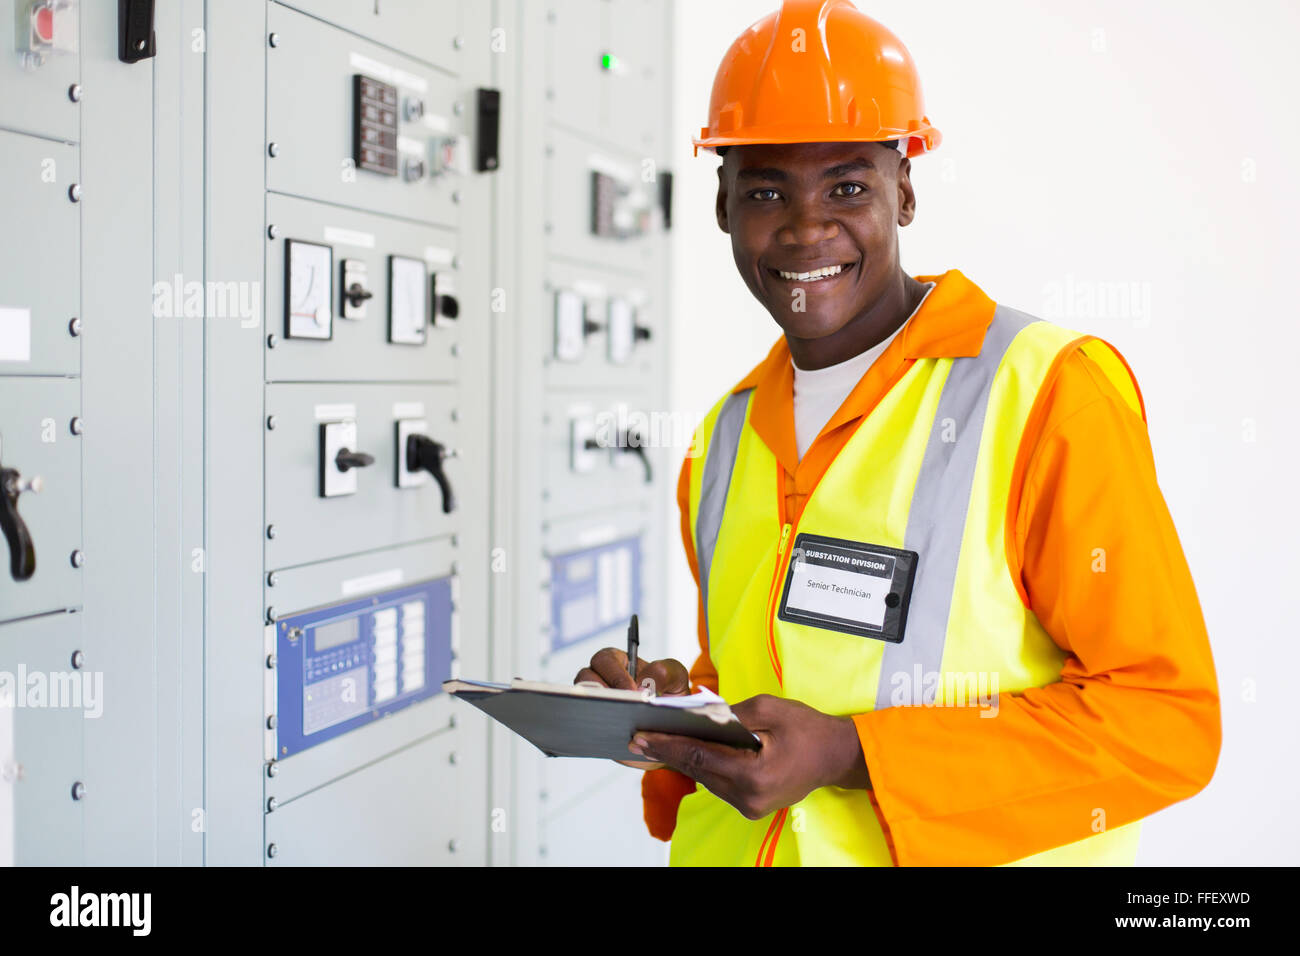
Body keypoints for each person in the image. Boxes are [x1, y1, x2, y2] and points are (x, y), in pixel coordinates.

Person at [575, 0, 1220, 866]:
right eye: (767, 189)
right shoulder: (721, 439)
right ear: (722, 206)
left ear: (904, 192)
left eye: (847, 185)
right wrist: (669, 709)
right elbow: (771, 676)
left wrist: (855, 755)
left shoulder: (1045, 393)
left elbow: (1163, 719)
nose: (807, 227)